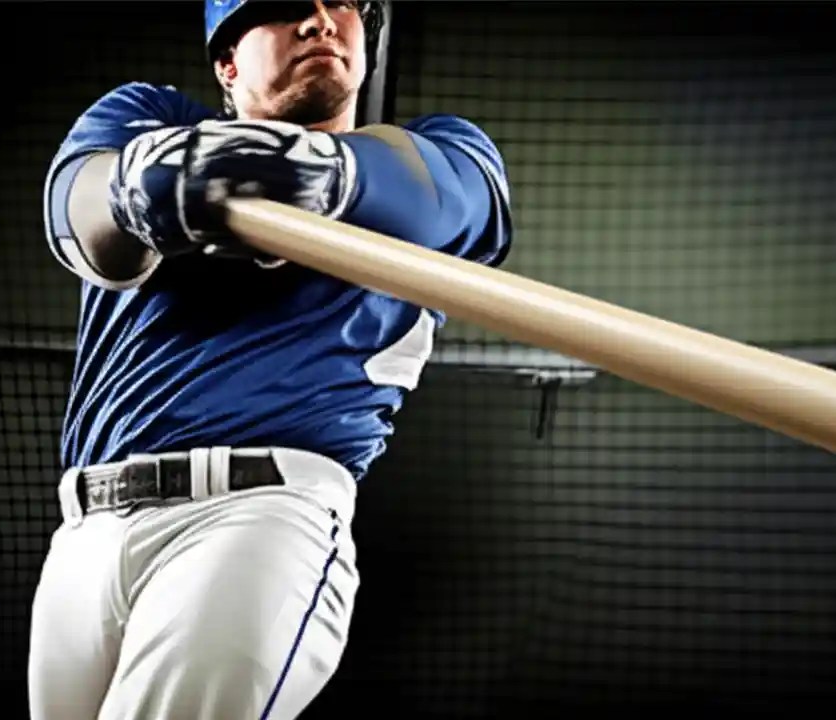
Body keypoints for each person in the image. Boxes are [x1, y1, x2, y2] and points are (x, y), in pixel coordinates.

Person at [28, 1, 513, 718]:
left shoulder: (442, 154)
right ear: (226, 62)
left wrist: (320, 179)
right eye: (284, 7)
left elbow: (451, 204)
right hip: (85, 533)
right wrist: (141, 187)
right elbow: (80, 219)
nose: (319, 21)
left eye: (338, 2)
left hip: (258, 517)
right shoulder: (146, 118)